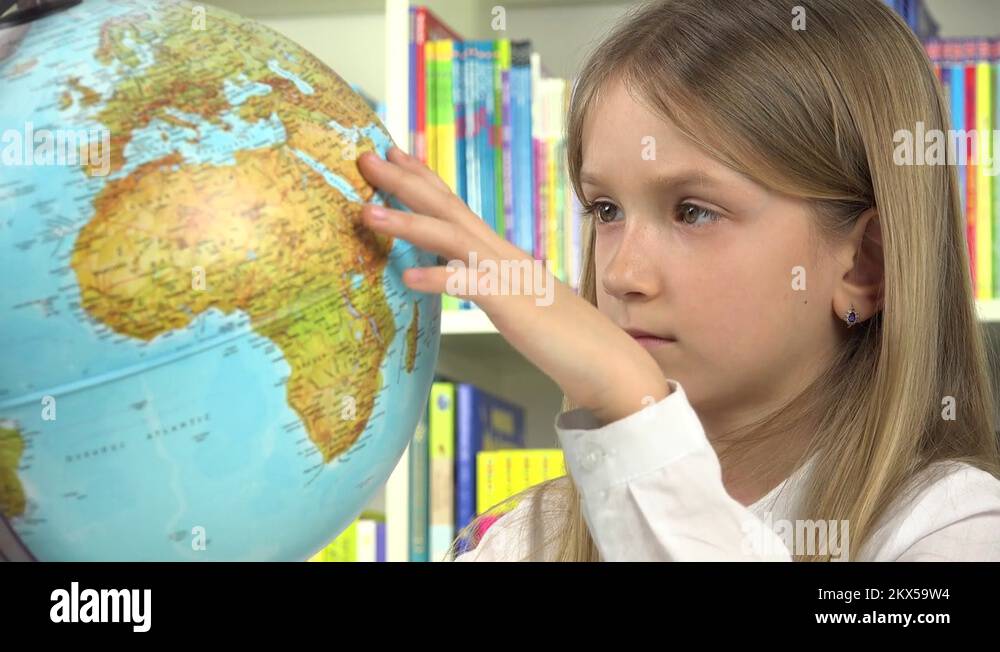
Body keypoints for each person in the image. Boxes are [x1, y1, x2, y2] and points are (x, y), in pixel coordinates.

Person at [356, 0, 1000, 561]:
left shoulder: (958, 528)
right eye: (605, 210)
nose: (620, 274)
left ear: (864, 266)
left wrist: (633, 407)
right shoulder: (521, 540)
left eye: (693, 211)